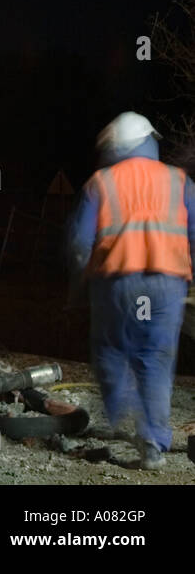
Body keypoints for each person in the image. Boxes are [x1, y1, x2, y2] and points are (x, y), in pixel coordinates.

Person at [66, 111, 194, 469]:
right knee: (155, 359)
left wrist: (78, 286)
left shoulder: (101, 183)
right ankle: (153, 440)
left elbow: (79, 244)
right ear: (149, 143)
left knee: (110, 351)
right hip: (167, 285)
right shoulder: (178, 181)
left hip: (117, 284)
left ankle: (122, 415)